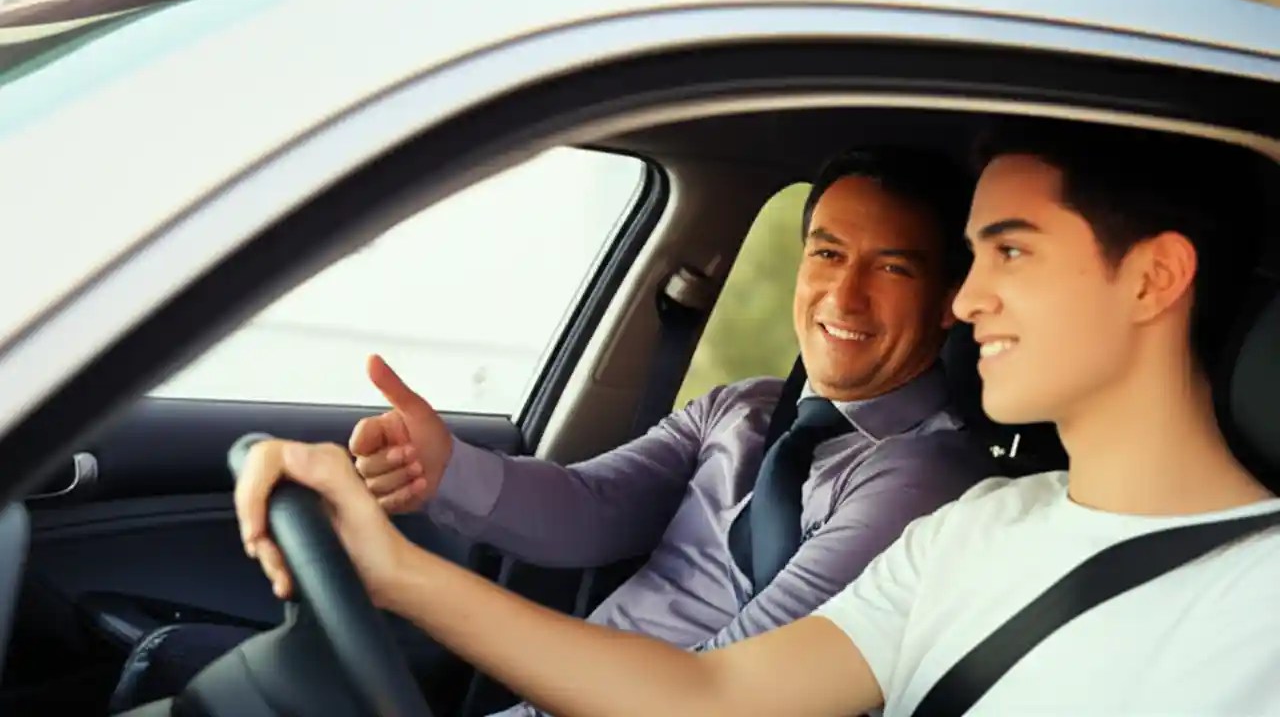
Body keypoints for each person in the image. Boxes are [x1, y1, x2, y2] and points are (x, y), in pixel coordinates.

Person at [236, 117, 1280, 716]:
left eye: (1003, 253)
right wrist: (398, 561)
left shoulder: (1251, 606)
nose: (967, 303)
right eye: (826, 253)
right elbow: (709, 700)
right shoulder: (972, 534)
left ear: (1152, 279)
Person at [111, 146, 993, 712]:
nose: (843, 296)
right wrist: (446, 465)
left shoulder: (923, 478)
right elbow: (589, 506)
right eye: (828, 253)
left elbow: (725, 684)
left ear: (950, 303)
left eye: (893, 268)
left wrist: (411, 582)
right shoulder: (746, 408)